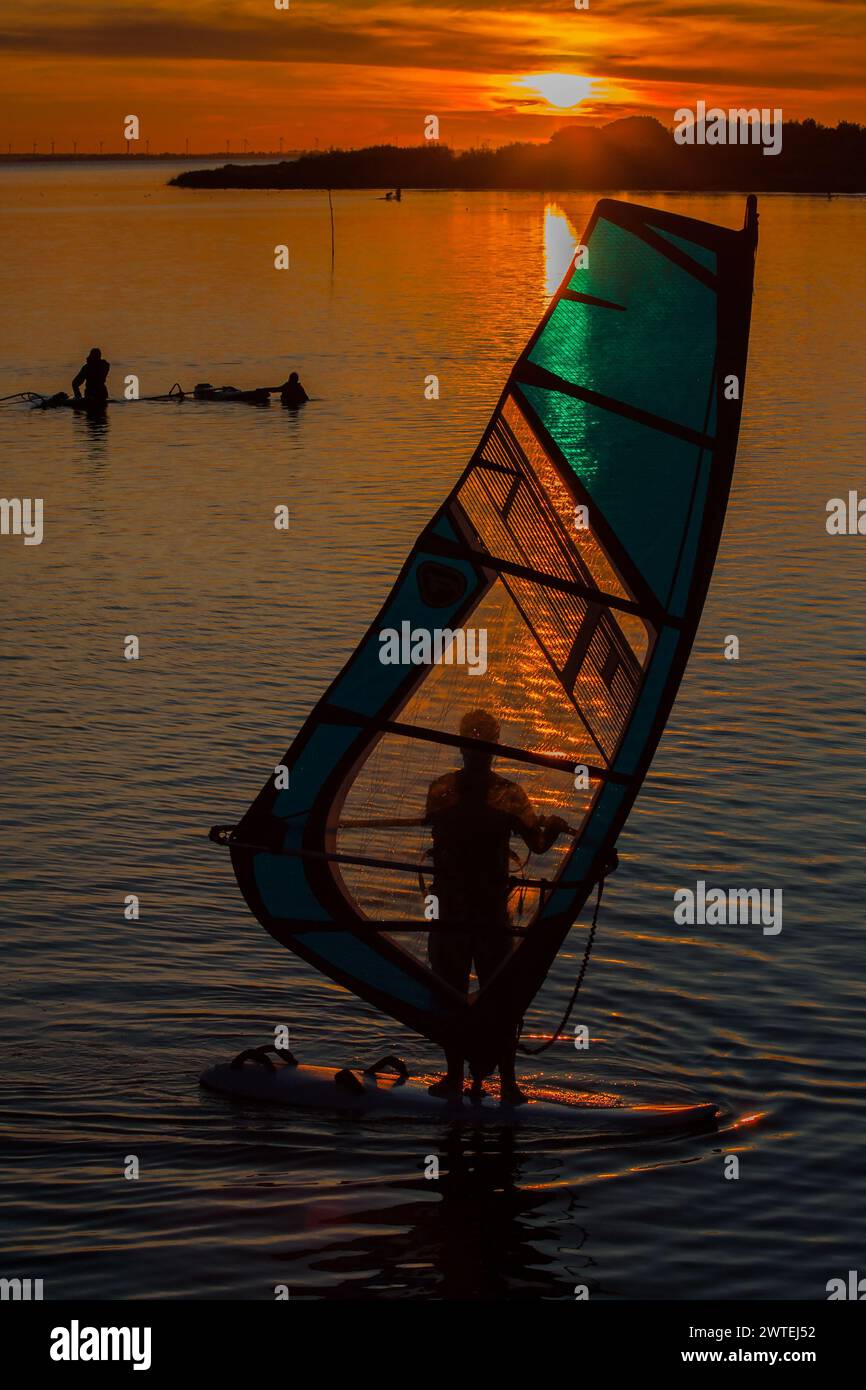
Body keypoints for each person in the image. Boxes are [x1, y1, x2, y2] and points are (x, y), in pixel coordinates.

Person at [425, 708, 570, 1102]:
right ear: (494, 747)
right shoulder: (508, 794)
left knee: (452, 993)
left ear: (460, 745)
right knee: (500, 997)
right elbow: (537, 845)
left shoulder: (442, 789)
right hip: (484, 911)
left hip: (454, 910)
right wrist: (553, 828)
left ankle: (459, 1080)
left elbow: (434, 827)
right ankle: (506, 1085)